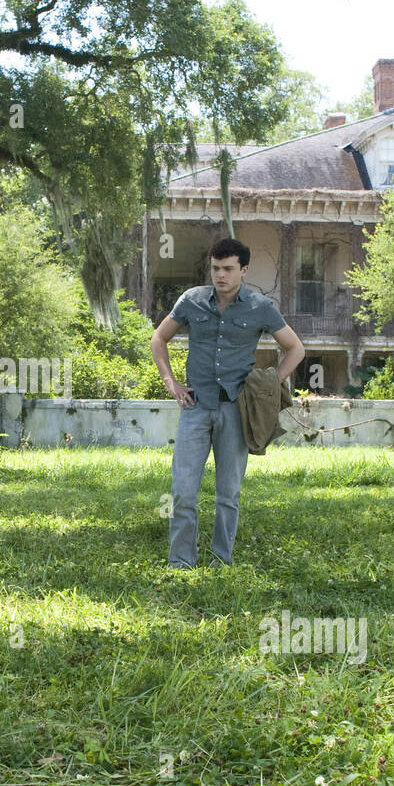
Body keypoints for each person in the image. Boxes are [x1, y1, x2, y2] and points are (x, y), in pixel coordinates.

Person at [150, 237, 305, 568]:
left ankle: (221, 561)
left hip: (236, 409)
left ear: (244, 270)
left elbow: (296, 349)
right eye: (215, 268)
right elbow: (159, 338)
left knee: (228, 494)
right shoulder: (192, 301)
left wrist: (270, 384)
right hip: (195, 407)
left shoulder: (260, 306)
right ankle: (181, 564)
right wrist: (171, 383)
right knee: (182, 491)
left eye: (228, 269)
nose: (220, 275)